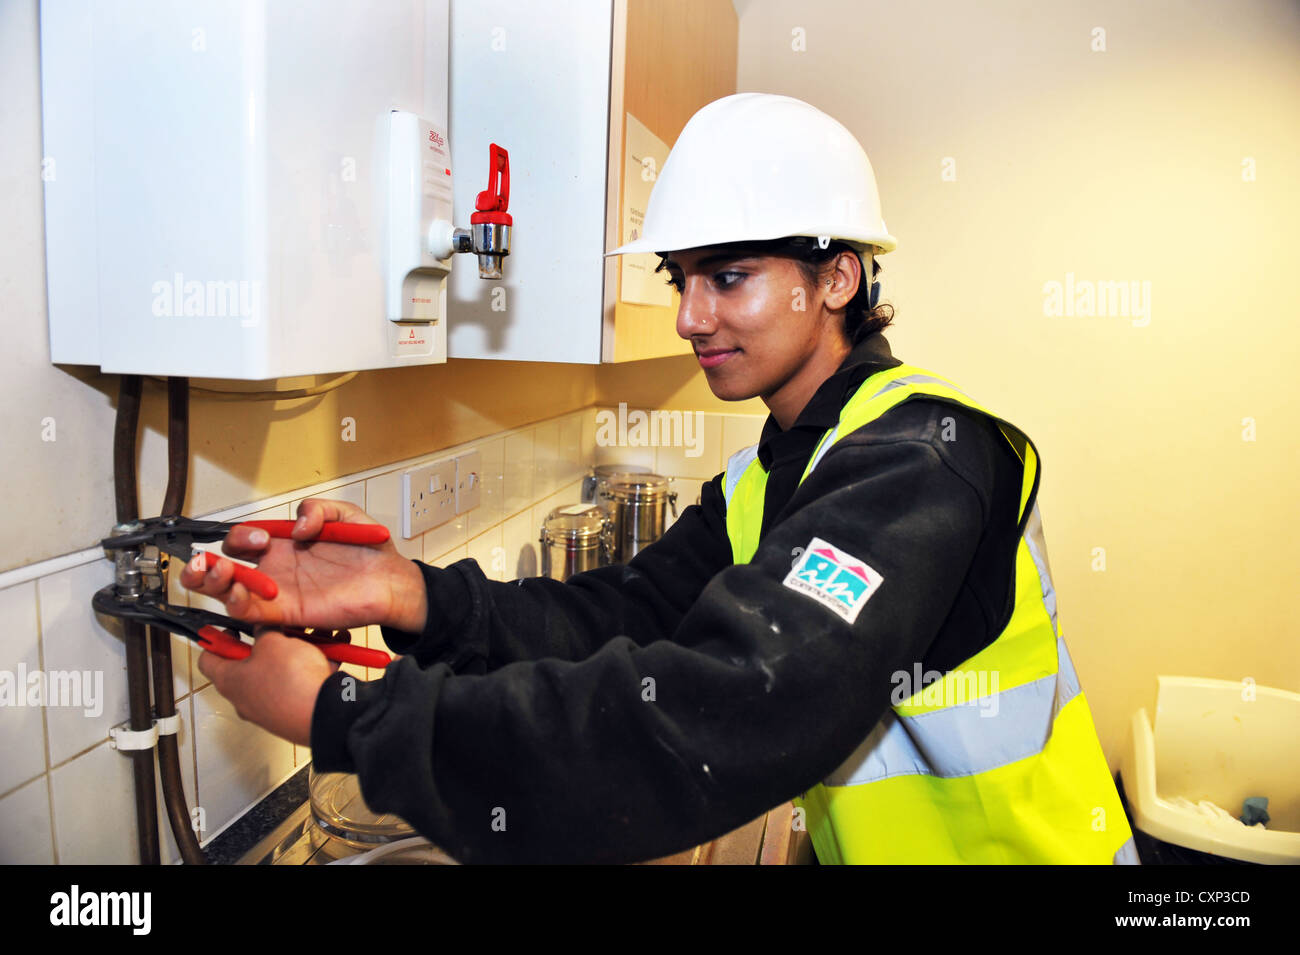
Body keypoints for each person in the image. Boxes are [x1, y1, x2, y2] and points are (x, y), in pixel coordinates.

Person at [184, 93, 1137, 864]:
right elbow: (623, 613)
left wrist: (340, 713)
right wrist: (410, 593)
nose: (688, 315)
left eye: (727, 277)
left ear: (838, 279)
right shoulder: (778, 469)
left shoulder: (920, 465)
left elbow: (721, 706)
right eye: (682, 277)